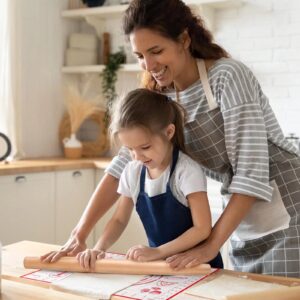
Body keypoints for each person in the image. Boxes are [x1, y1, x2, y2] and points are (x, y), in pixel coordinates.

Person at [42, 0, 300, 277]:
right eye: (140, 55)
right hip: (240, 214)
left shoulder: (227, 77)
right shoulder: (159, 94)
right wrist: (79, 234)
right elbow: (121, 167)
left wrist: (209, 246)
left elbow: (251, 172)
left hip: (288, 202)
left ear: (185, 39)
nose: (149, 65)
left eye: (156, 51)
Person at [75, 88, 223, 269]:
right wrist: (99, 248)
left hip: (198, 266)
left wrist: (158, 251)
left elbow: (202, 229)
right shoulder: (133, 172)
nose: (137, 156)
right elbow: (119, 220)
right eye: (130, 149)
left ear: (169, 132)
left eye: (145, 147)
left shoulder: (186, 171)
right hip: (161, 266)